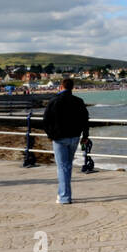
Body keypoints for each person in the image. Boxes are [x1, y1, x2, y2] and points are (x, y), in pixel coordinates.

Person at [42, 76, 90, 205]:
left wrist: (51, 135)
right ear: (72, 87)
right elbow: (85, 120)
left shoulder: (54, 101)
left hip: (59, 138)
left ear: (61, 87)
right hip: (74, 137)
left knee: (63, 167)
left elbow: (46, 120)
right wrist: (85, 136)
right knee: (67, 167)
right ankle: (63, 193)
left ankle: (64, 196)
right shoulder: (78, 101)